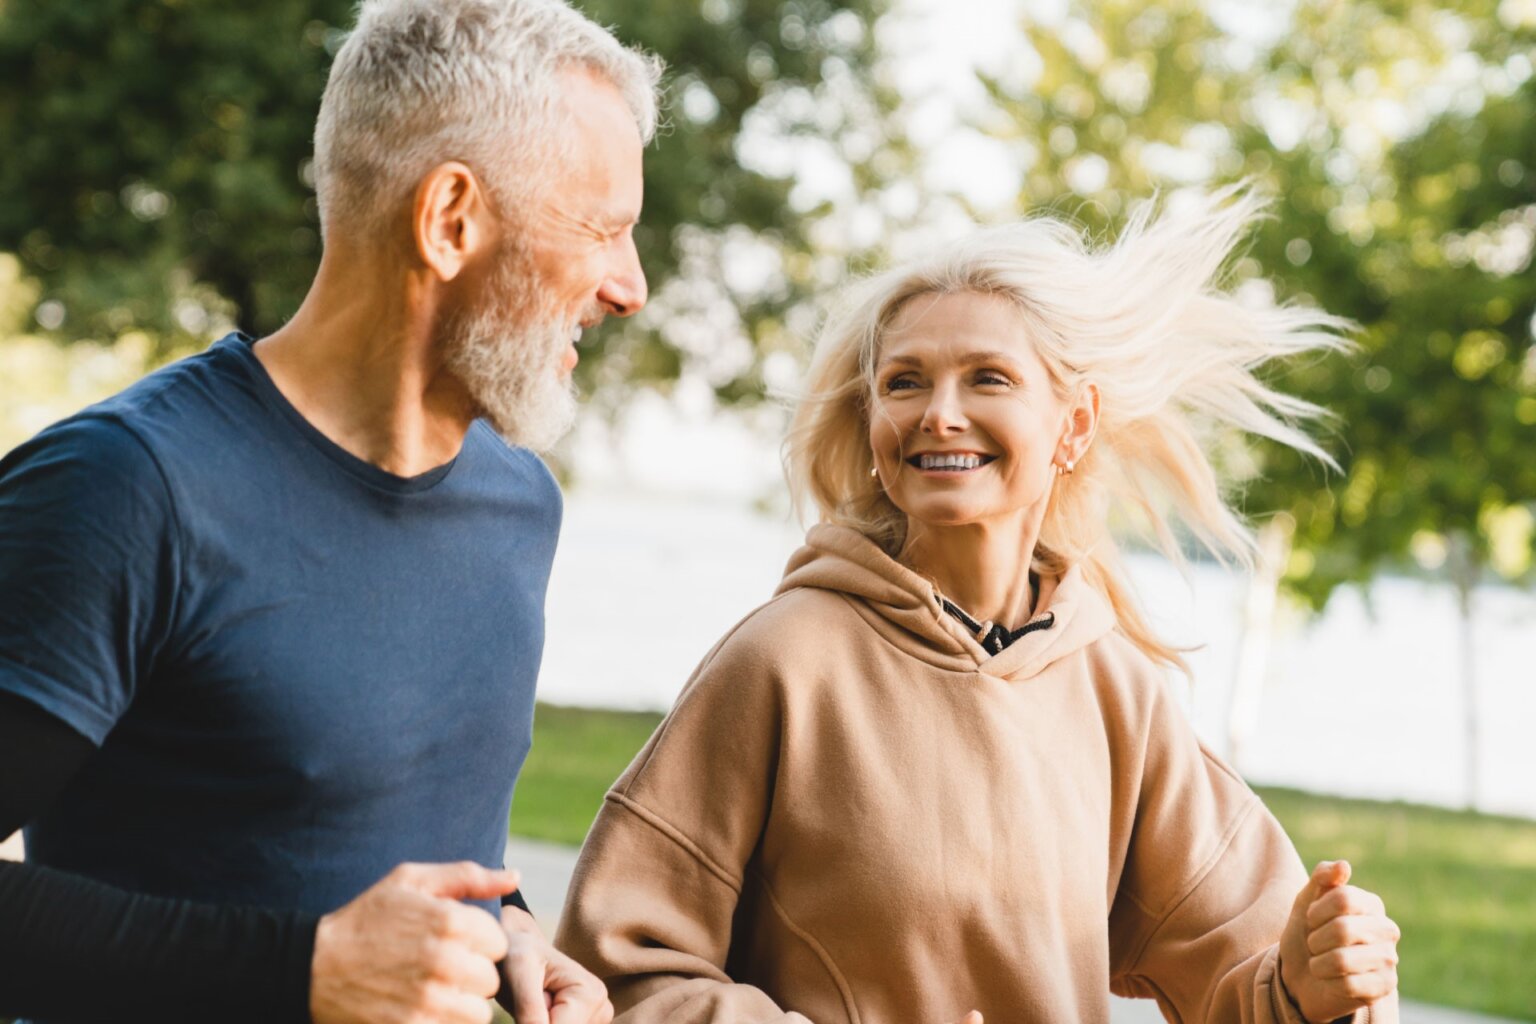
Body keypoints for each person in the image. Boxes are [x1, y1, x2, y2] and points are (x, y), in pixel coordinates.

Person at [555, 189, 1402, 1024]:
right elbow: (615, 973)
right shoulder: (783, 660)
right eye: (905, 382)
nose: (941, 414)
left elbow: (1243, 980)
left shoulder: (1115, 687)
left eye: (988, 378)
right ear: (875, 425)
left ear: (1073, 426)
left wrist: (1306, 985)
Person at [0, 1, 659, 1021]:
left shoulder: (518, 501)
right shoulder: (126, 487)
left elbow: (408, 847)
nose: (631, 285)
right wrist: (302, 968)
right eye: (604, 227)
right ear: (450, 221)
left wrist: (511, 929)